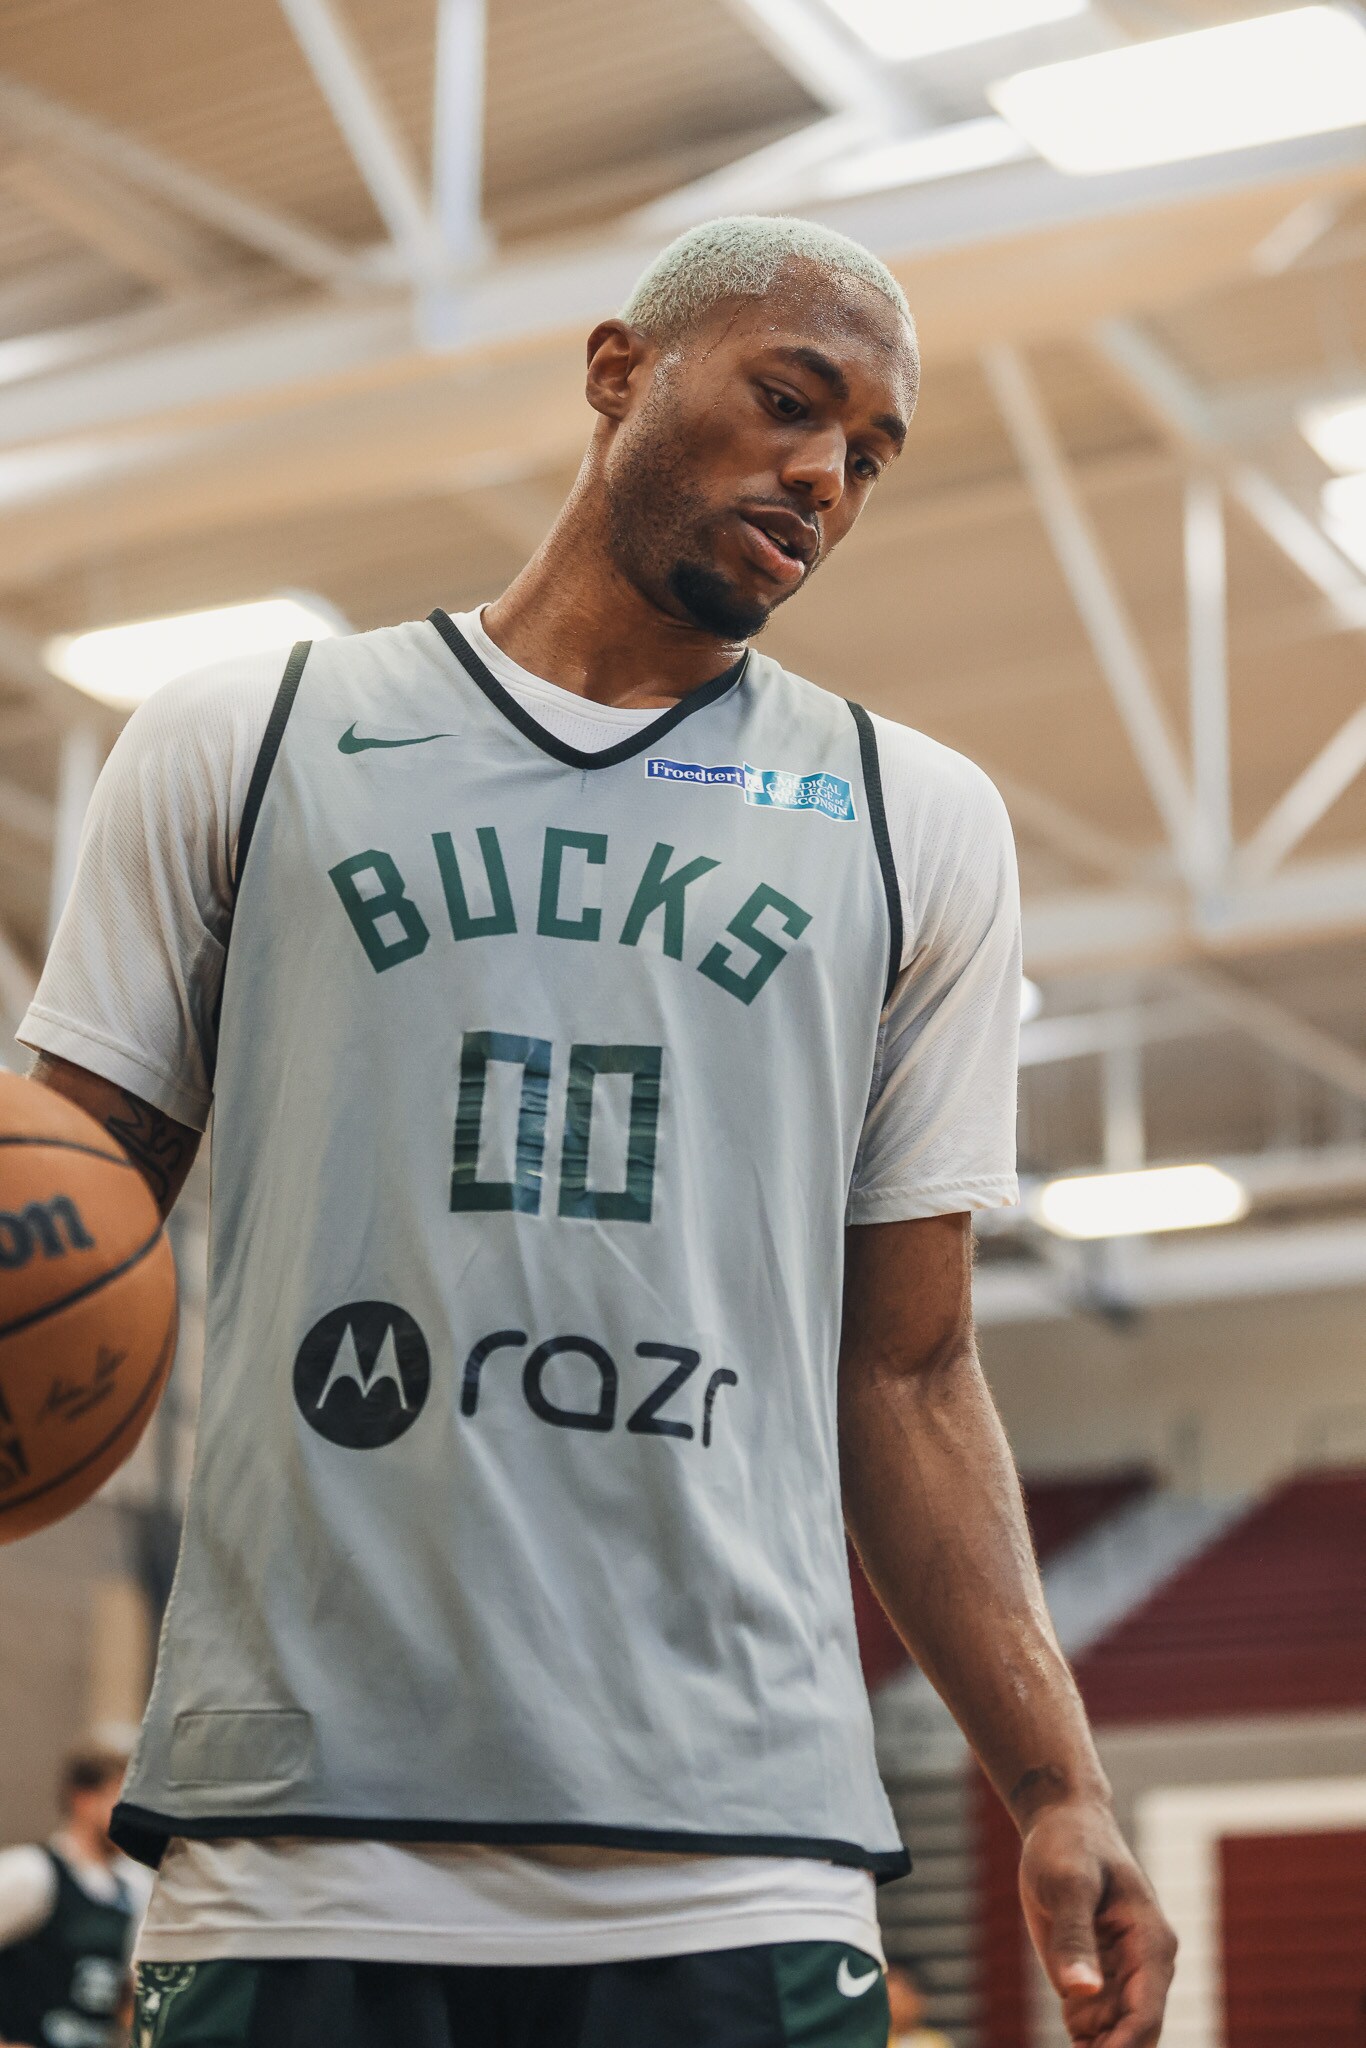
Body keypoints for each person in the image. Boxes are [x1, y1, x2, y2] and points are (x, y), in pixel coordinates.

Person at [21, 214, 1175, 2048]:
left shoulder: (915, 819)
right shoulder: (245, 740)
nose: (825, 474)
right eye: (790, 401)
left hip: (741, 1849)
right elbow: (67, 1225)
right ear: (618, 370)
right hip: (296, 1838)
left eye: (870, 453)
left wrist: (1054, 1778)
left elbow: (916, 1366)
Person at [0, 1747, 142, 2048]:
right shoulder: (32, 1872)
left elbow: (122, 1997)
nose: (135, 1814)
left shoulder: (133, 1890)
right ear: (82, 1797)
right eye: (121, 1795)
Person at [884, 1962, 952, 2047]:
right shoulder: (876, 2041)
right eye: (890, 1999)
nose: (895, 2007)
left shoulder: (936, 2043)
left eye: (901, 1997)